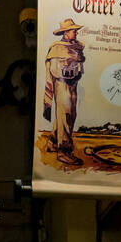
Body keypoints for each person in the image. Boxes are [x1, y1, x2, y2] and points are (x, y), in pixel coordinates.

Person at [43, 18, 87, 165]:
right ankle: (64, 152)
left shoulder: (77, 47)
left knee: (70, 114)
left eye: (75, 30)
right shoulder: (57, 48)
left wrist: (77, 73)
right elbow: (55, 70)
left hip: (73, 83)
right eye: (73, 30)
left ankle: (52, 142)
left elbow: (80, 66)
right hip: (62, 84)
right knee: (66, 114)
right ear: (65, 33)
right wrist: (67, 73)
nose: (76, 32)